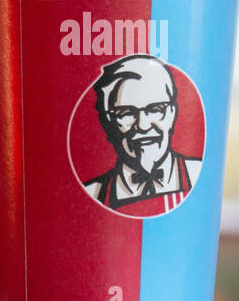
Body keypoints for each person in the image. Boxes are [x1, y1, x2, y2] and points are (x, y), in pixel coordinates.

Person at [84, 54, 201, 214]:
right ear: (109, 121)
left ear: (172, 113)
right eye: (126, 112)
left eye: (155, 109)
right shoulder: (92, 192)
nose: (143, 125)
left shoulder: (201, 177)